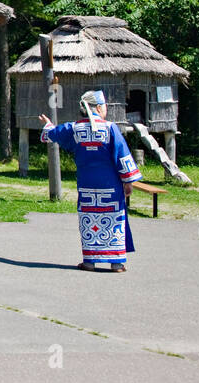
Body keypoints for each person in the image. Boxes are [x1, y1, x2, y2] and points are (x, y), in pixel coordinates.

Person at [39, 89, 142, 272]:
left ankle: (89, 262)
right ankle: (116, 263)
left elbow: (54, 133)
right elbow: (122, 156)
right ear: (99, 107)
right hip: (110, 185)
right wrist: (128, 181)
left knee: (89, 219)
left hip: (86, 186)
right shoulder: (110, 128)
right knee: (113, 220)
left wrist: (48, 126)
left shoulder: (74, 128)